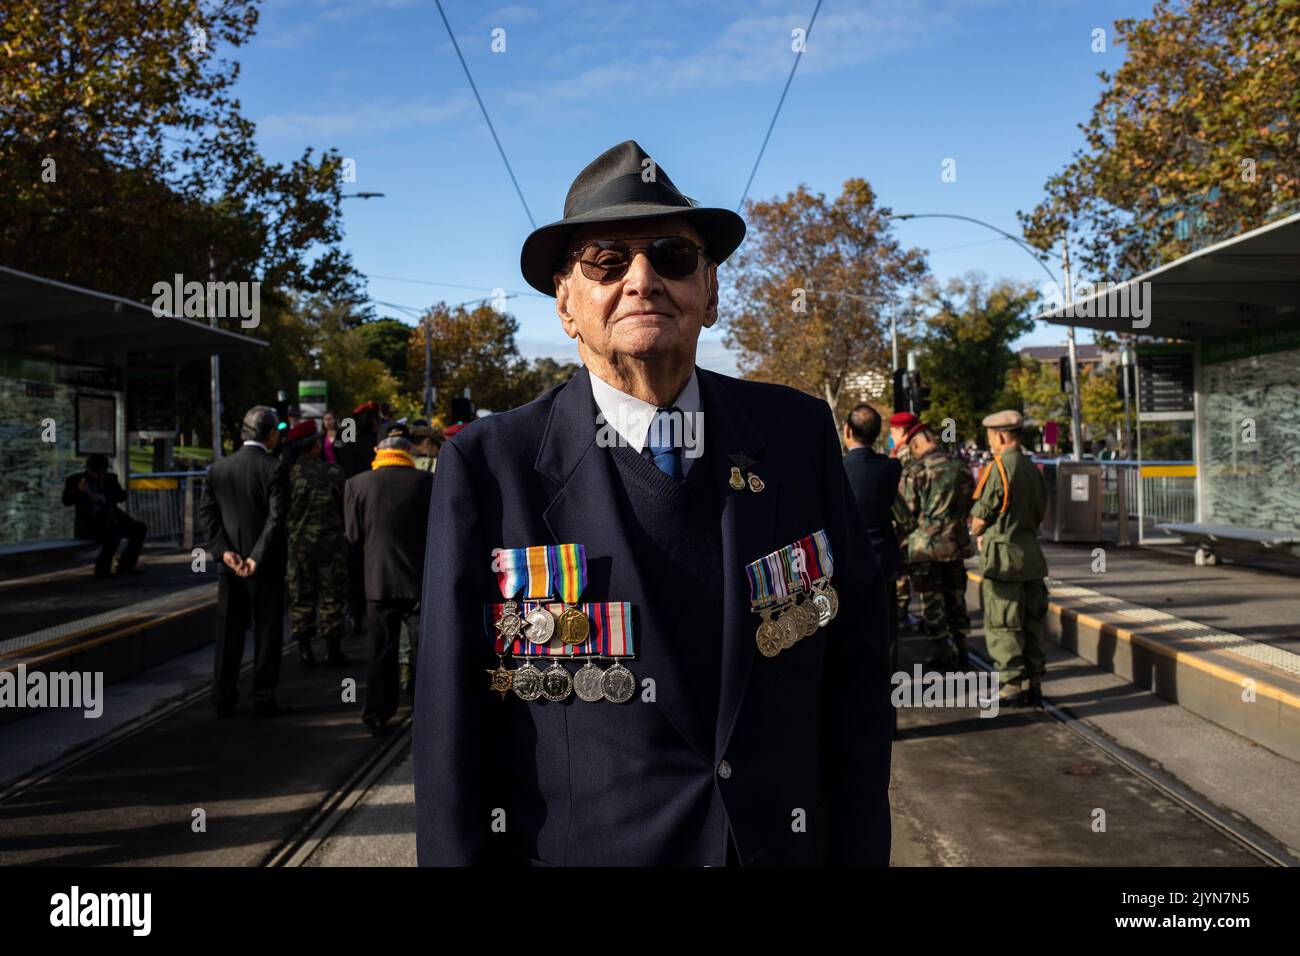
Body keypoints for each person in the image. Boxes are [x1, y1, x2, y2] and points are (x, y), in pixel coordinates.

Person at [414, 140, 891, 867]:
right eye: (606, 261)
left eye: (671, 256)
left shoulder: (795, 436)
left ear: (712, 291)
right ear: (566, 303)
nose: (642, 279)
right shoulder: (490, 466)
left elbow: (856, 678)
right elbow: (452, 731)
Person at [199, 406, 291, 719]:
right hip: (263, 568)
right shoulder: (275, 468)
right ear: (270, 434)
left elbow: (208, 516)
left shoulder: (218, 469)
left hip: (229, 566)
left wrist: (224, 552)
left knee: (228, 631)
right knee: (267, 631)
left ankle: (222, 695)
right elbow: (276, 519)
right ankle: (262, 696)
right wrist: (255, 558)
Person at [344, 435, 433, 737]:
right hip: (419, 582)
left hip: (377, 582)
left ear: (377, 450)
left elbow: (353, 539)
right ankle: (426, 711)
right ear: (408, 451)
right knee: (423, 651)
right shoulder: (426, 482)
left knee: (380, 650)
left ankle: (376, 713)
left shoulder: (357, 484)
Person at [970, 410, 1050, 708]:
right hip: (1031, 557)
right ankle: (1033, 681)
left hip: (1003, 560)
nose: (990, 443)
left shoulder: (1000, 468)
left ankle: (1011, 684)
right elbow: (1042, 511)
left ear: (1001, 436)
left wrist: (979, 529)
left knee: (1004, 621)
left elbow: (980, 518)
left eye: (991, 437)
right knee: (1032, 621)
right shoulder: (1032, 468)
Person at [899, 420, 975, 669]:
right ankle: (962, 648)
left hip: (927, 547)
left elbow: (908, 512)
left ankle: (943, 652)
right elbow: (969, 504)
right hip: (956, 544)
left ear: (918, 444)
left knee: (932, 599)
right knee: (956, 596)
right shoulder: (961, 466)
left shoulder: (916, 470)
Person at [284, 419, 352, 670]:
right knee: (331, 597)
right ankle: (333, 651)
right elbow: (344, 508)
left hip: (298, 547)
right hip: (330, 545)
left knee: (301, 598)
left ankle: (304, 651)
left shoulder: (287, 475)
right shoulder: (333, 473)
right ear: (314, 445)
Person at [61, 454, 146, 578]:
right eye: (95, 473)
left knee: (139, 528)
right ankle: (102, 569)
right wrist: (78, 491)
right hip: (90, 523)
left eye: (101, 473)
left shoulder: (110, 479)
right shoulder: (75, 480)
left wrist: (103, 498)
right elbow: (66, 501)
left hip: (112, 517)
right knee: (113, 534)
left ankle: (126, 565)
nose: (98, 476)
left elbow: (121, 496)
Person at [887, 411, 919, 631]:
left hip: (904, 518)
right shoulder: (914, 451)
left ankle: (901, 611)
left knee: (903, 570)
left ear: (900, 431)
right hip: (911, 517)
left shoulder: (904, 454)